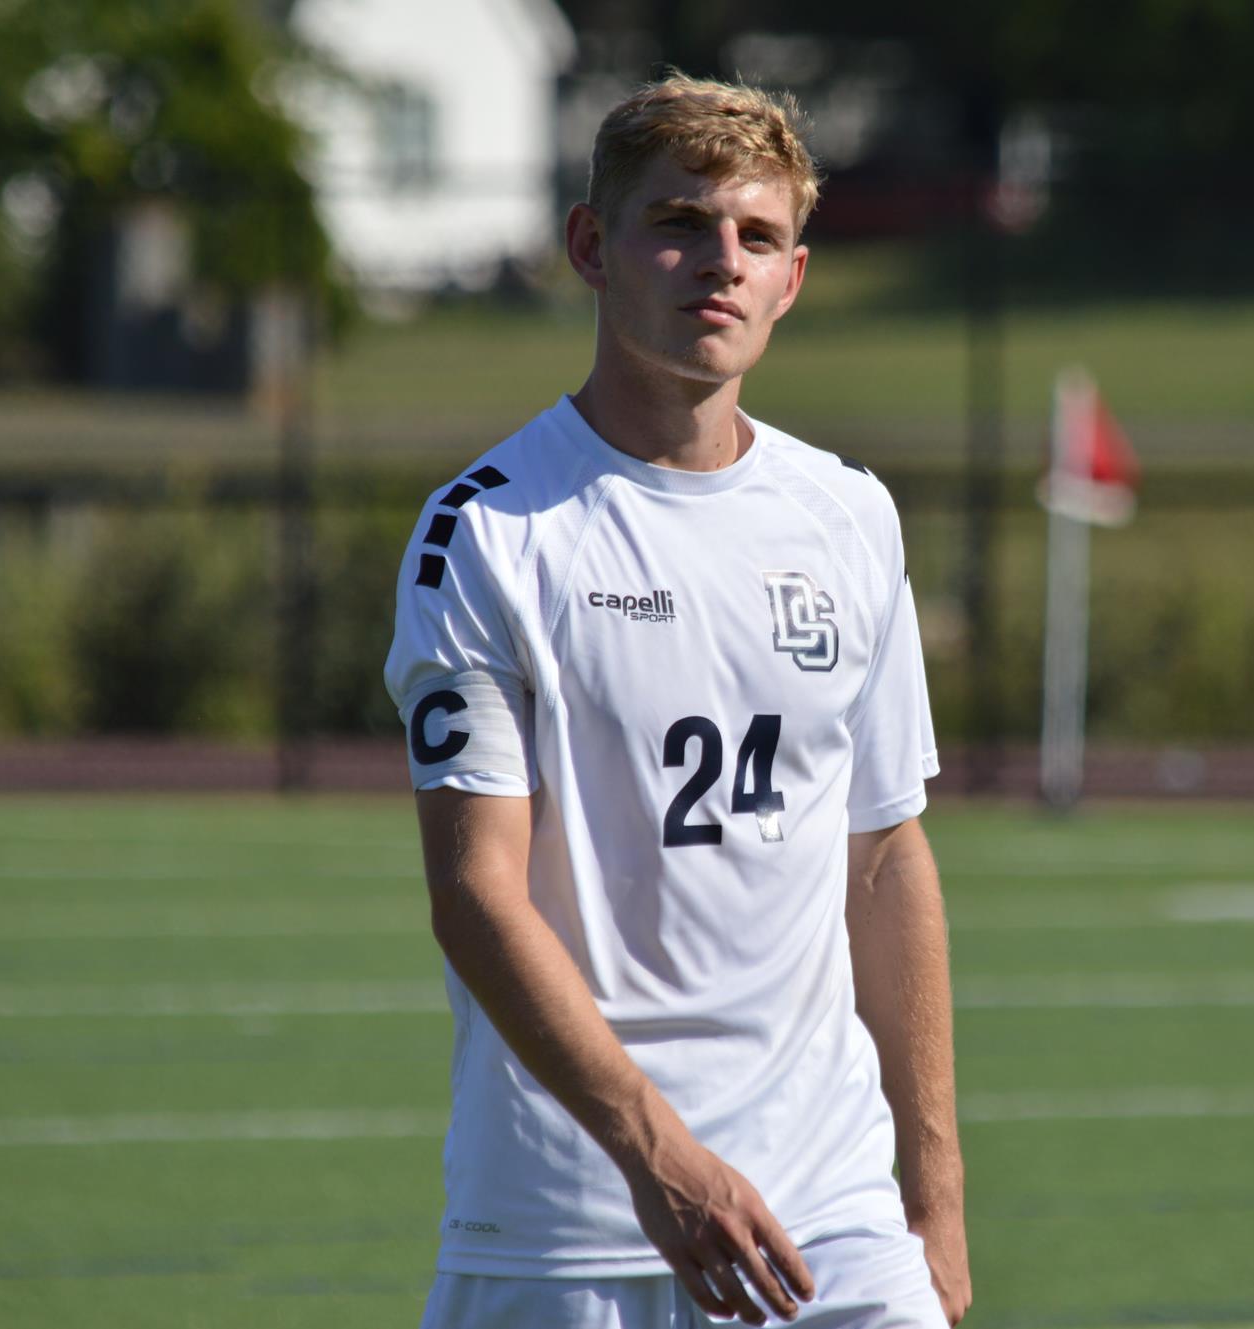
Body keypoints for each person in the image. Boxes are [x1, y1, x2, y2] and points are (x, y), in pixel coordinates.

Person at [384, 73, 969, 1329]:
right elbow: (475, 893)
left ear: (793, 277)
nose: (719, 263)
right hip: (574, 1222)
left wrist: (933, 1205)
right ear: (592, 247)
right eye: (678, 224)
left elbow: (883, 859)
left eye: (755, 237)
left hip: (832, 1225)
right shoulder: (484, 538)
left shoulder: (850, 517)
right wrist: (659, 1157)